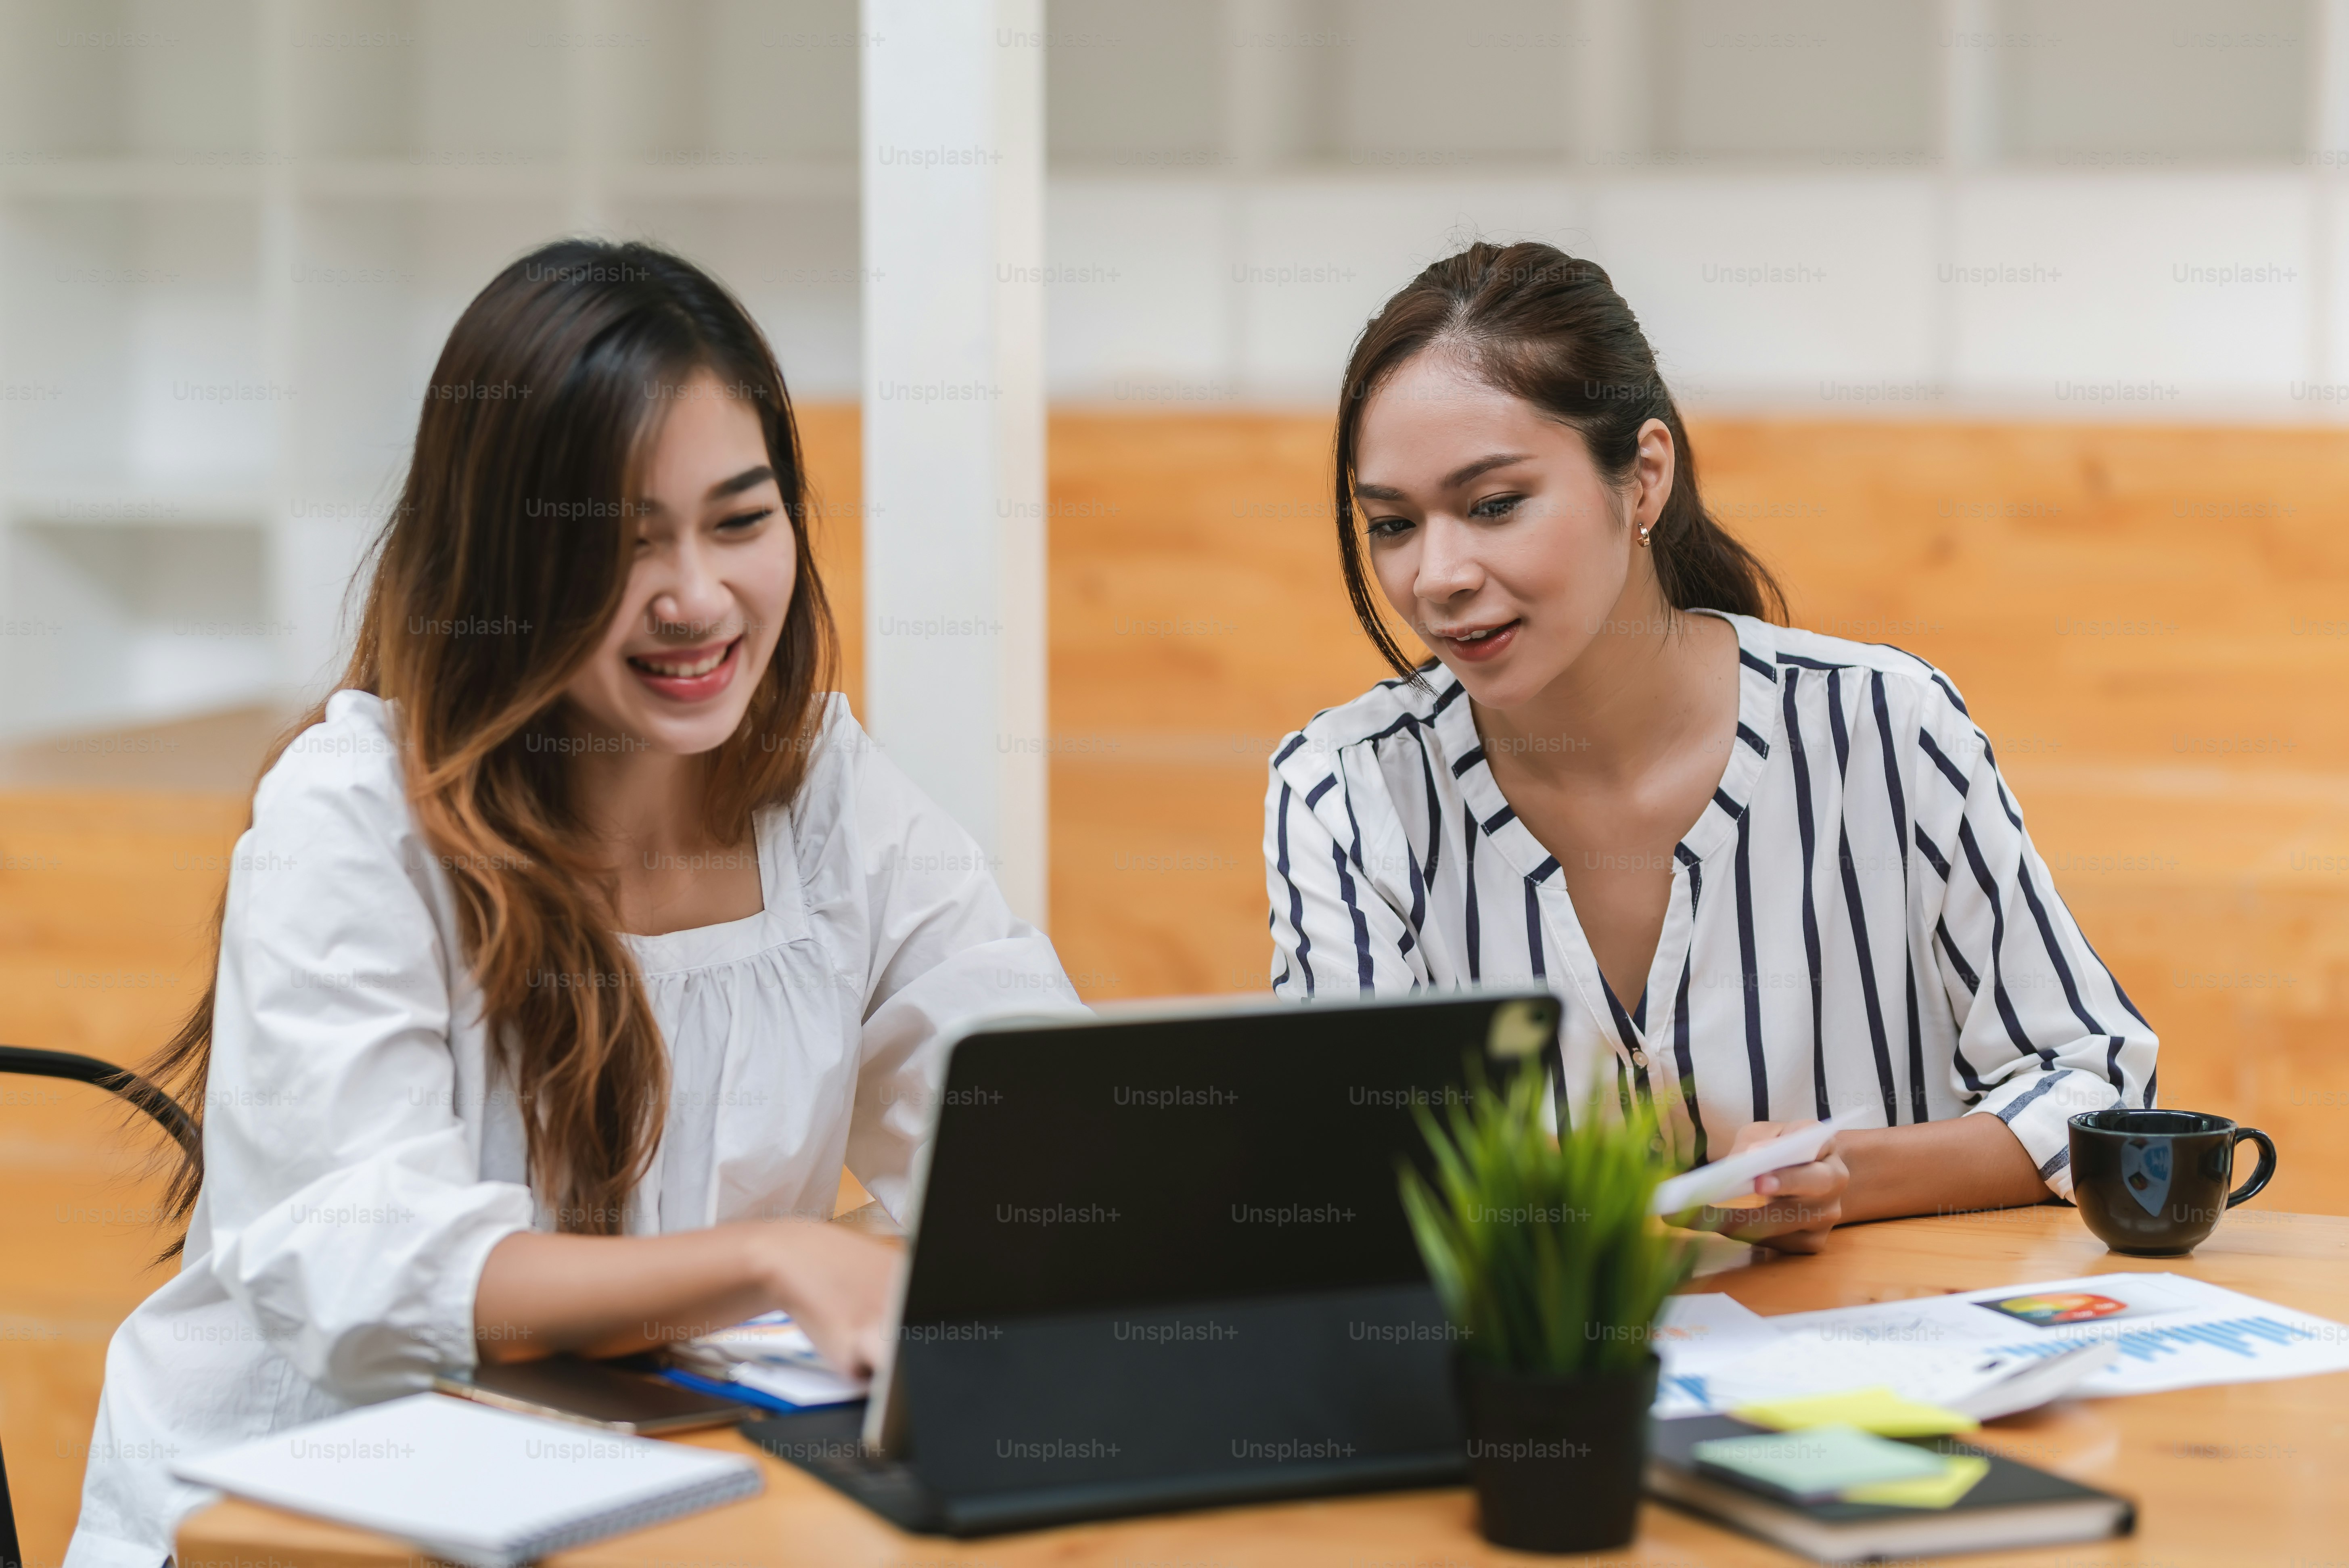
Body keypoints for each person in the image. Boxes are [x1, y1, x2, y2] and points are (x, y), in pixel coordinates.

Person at [67, 239, 1079, 1565]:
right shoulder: (356, 815)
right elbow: (377, 1278)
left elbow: (1032, 1118)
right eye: (624, 541)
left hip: (627, 1512)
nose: (699, 597)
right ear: (504, 563)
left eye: (740, 518)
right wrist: (772, 1258)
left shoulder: (828, 797)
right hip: (290, 1526)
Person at [1263, 241, 2153, 1251]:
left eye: (1493, 504)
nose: (1437, 575)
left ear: (1641, 479)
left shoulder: (1887, 726)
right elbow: (1350, 1171)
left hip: (1875, 1384)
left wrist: (1847, 1180)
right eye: (1391, 524)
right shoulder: (1340, 792)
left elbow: (2093, 1085)